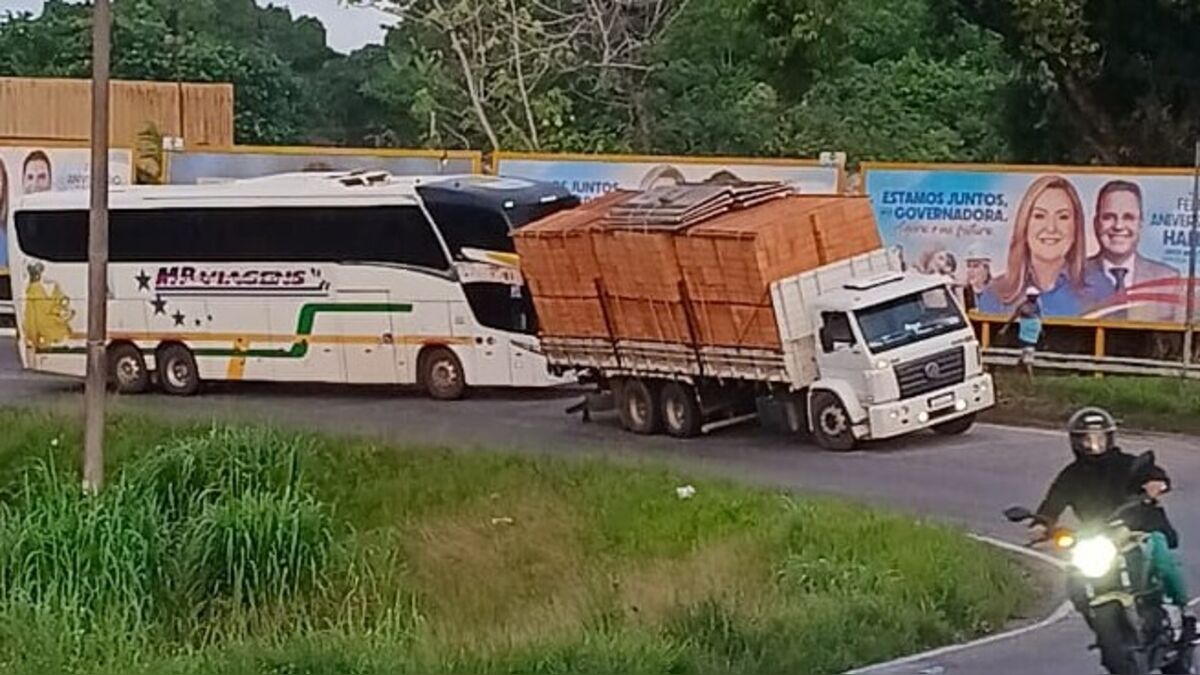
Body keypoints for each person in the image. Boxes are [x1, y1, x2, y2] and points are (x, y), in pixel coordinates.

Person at [1031, 407, 1189, 610]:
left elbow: (1152, 472)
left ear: (1110, 438)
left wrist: (1155, 483)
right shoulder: (1070, 475)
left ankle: (1185, 613)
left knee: (1163, 560)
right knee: (1075, 578)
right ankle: (1099, 624)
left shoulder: (1127, 463)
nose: (1093, 445)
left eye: (1099, 438)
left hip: (1140, 529)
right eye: (1086, 440)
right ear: (1075, 442)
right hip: (1099, 535)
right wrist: (1040, 523)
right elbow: (1052, 503)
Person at [976, 176, 1092, 316]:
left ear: (1076, 228)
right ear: (1024, 225)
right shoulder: (995, 294)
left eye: (1063, 217)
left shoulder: (1099, 292)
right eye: (1039, 216)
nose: (1051, 228)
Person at [1084, 180, 1179, 321]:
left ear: (1140, 224)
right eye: (1109, 217)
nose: (1118, 226)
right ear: (1096, 223)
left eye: (1128, 217)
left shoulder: (1167, 280)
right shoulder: (1072, 277)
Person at [999, 286, 1043, 380]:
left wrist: (1040, 328)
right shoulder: (1023, 306)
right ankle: (1030, 373)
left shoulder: (1037, 305)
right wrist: (1005, 328)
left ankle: (1019, 367)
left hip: (1033, 330)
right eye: (1033, 296)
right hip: (1025, 330)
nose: (1035, 298)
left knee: (1027, 350)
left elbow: (1039, 317)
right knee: (1028, 350)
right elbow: (1014, 317)